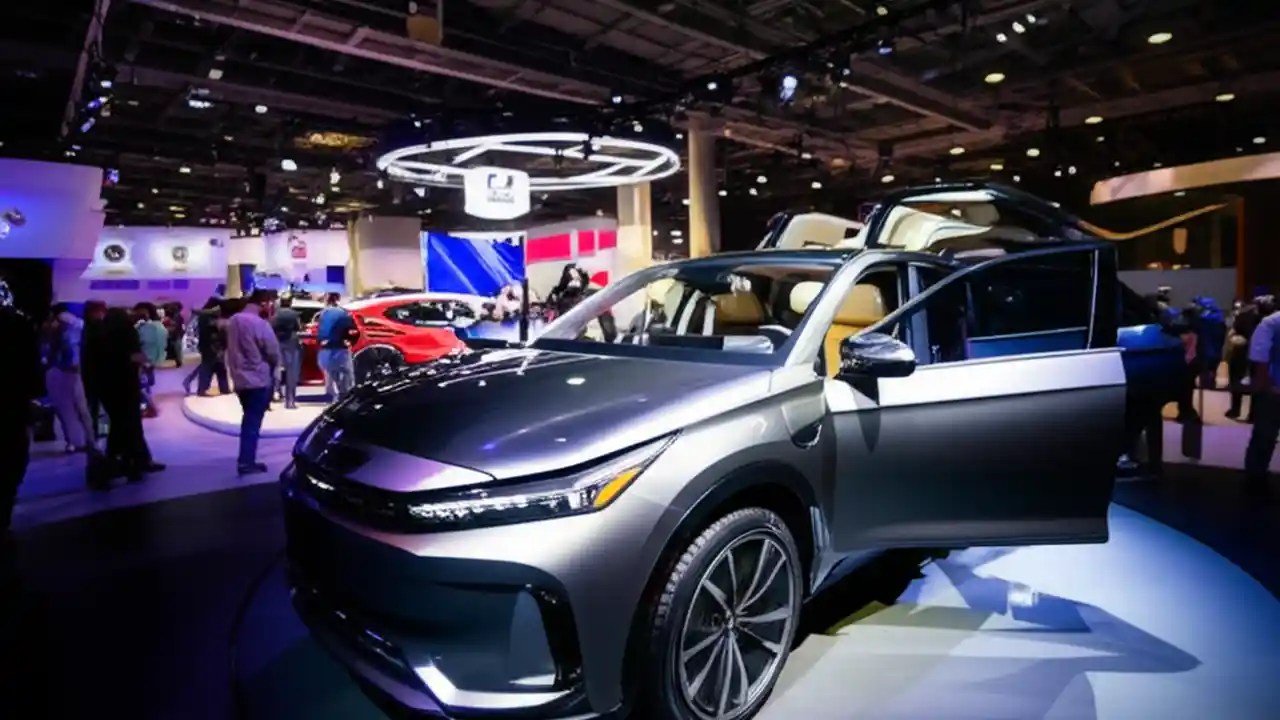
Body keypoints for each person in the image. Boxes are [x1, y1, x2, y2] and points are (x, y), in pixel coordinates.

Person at [99, 307, 164, 484]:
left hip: (108, 387)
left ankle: (133, 462)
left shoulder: (102, 335)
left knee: (120, 425)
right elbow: (135, 357)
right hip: (126, 386)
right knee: (128, 426)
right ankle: (127, 464)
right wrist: (145, 361)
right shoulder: (127, 333)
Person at [0, 281, 41, 533]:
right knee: (13, 455)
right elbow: (31, 366)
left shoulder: (18, 324)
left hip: (13, 401)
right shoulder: (18, 324)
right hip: (12, 402)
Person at [225, 290, 281, 475]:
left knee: (248, 419)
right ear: (265, 302)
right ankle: (246, 462)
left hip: (239, 378)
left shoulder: (234, 321)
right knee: (252, 423)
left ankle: (246, 459)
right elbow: (272, 352)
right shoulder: (260, 324)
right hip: (258, 378)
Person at [44, 304, 94, 452]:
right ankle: (89, 440)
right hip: (75, 372)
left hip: (59, 372)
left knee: (66, 411)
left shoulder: (54, 328)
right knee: (82, 410)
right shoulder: (79, 326)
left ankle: (73, 442)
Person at [1244, 300, 1280, 496]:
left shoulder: (1270, 323)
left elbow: (1260, 359)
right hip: (1272, 390)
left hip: (1273, 391)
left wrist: (1263, 387)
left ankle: (1255, 480)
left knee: (1264, 438)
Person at [315, 293, 357, 399]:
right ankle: (345, 396)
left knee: (330, 373)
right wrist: (350, 341)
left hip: (326, 348)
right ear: (338, 299)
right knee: (346, 373)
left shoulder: (323, 314)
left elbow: (320, 331)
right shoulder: (343, 313)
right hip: (340, 348)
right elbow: (352, 330)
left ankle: (332, 396)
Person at [80, 299, 108, 441]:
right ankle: (95, 433)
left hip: (87, 371)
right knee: (98, 406)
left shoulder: (84, 327)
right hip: (99, 372)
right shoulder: (99, 328)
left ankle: (92, 434)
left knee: (91, 405)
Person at [134, 303, 168, 418]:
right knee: (145, 384)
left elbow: (140, 342)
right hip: (150, 359)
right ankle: (148, 407)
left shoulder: (146, 328)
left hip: (142, 359)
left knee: (141, 385)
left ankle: (150, 407)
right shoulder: (160, 326)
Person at [271, 295, 303, 409]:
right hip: (291, 344)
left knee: (276, 371)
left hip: (277, 344)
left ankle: (275, 392)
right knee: (291, 374)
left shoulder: (275, 315)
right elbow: (298, 327)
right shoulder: (294, 314)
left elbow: (271, 328)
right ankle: (290, 402)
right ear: (290, 302)